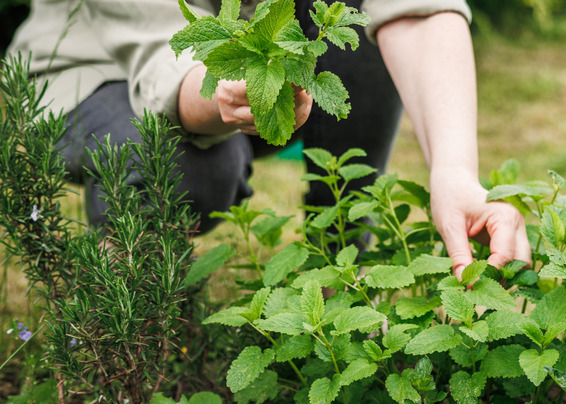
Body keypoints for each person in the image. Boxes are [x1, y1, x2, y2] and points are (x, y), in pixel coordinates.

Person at [7, 0, 530, 277]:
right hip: (93, 72)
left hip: (262, 81)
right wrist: (237, 93)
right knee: (193, 174)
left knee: (355, 19)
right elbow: (165, 57)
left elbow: (416, 9)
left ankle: (341, 264)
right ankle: (129, 317)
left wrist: (456, 171)